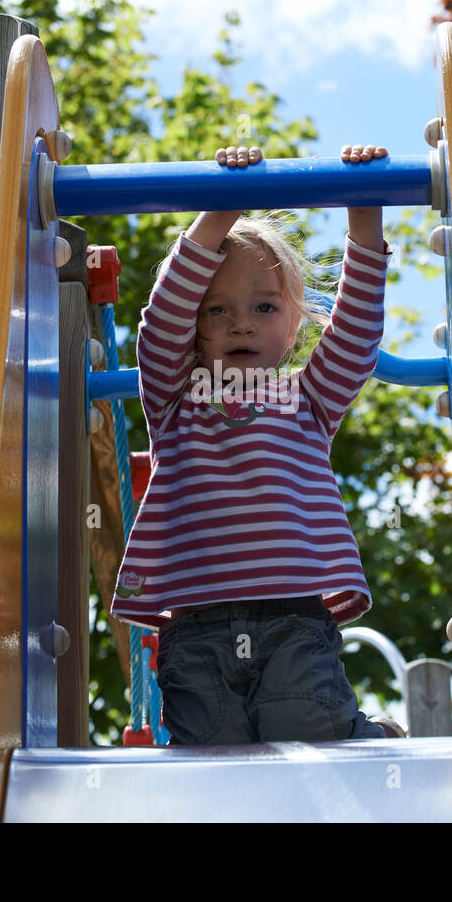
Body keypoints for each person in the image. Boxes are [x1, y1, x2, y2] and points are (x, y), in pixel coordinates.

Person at [110, 143, 406, 743]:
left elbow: (355, 331)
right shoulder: (173, 397)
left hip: (294, 618)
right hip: (196, 629)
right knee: (212, 754)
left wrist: (363, 208)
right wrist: (222, 205)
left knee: (302, 725)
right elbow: (161, 319)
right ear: (195, 329)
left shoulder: (309, 398)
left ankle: (356, 733)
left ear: (294, 325)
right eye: (216, 310)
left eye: (264, 307)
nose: (241, 323)